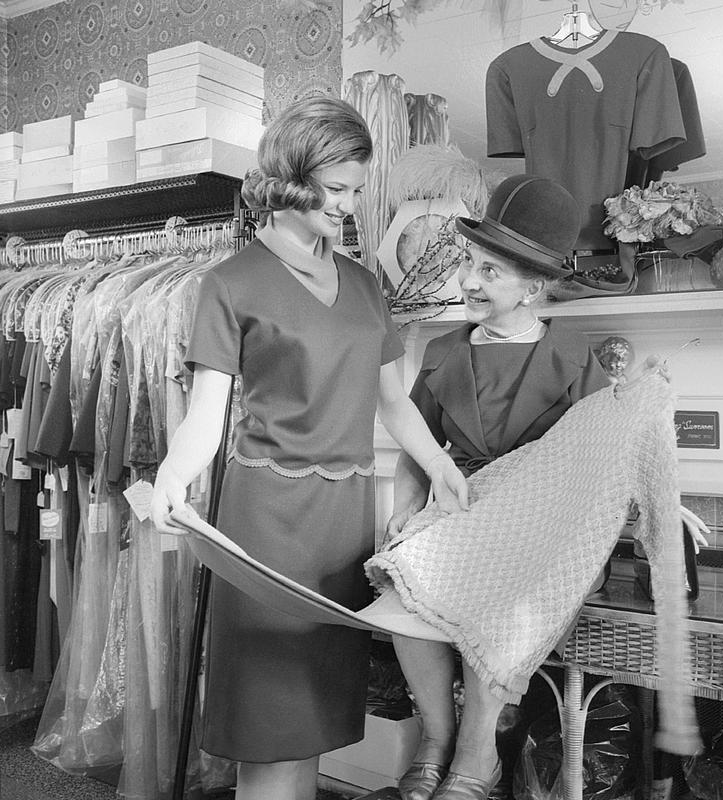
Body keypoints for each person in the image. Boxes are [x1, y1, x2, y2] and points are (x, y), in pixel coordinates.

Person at [149, 96, 468, 800]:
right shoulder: (228, 285)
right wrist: (173, 474)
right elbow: (207, 416)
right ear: (293, 178)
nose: (351, 206)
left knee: (313, 721)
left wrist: (442, 466)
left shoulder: (363, 285)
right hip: (267, 520)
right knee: (268, 723)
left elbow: (393, 402)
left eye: (358, 190)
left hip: (342, 525)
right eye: (338, 189)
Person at [376, 174, 708, 800]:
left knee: (499, 602)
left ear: (533, 286)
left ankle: (477, 760)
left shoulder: (573, 356)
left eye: (490, 273)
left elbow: (609, 448)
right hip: (462, 505)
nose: (470, 282)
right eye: (469, 266)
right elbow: (417, 447)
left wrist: (667, 507)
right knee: (398, 583)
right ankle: (435, 738)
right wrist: (403, 508)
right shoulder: (444, 351)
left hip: (542, 521)